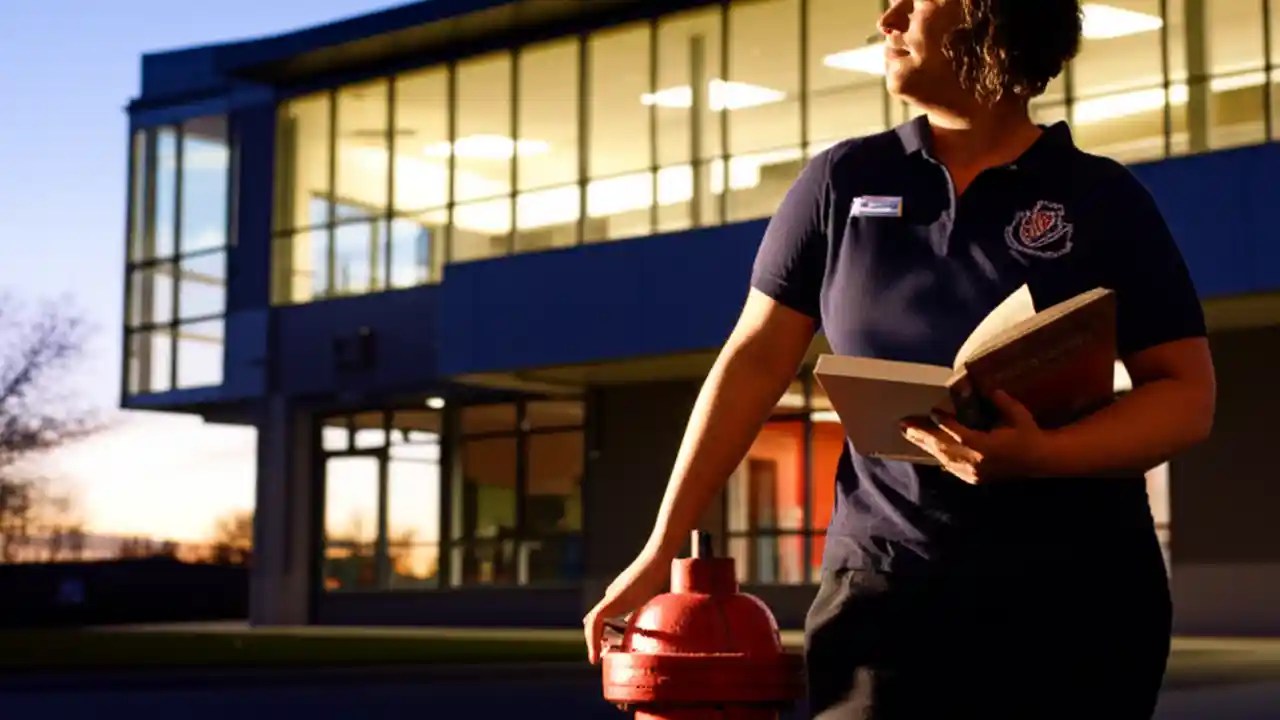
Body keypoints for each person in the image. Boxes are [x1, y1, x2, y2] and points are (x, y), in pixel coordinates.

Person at [583, 0, 1217, 717]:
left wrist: (1041, 455)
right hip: (886, 592)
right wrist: (660, 550)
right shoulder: (840, 181)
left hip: (1076, 597)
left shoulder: (1103, 198)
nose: (888, 18)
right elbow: (753, 363)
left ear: (990, 19)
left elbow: (1186, 396)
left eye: (914, 1)